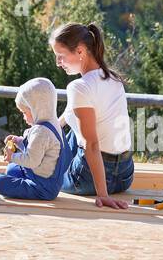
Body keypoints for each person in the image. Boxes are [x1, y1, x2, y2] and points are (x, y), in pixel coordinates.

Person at [49, 22, 133, 207]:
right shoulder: (112, 78)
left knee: (43, 179)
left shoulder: (79, 87)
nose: (58, 63)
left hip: (91, 179)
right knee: (69, 133)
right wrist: (38, 131)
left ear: (80, 51)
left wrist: (102, 194)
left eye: (61, 57)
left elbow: (92, 144)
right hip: (125, 175)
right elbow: (67, 115)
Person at [0, 77, 70, 200]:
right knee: (12, 169)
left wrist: (12, 157)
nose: (23, 117)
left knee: (0, 182)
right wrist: (19, 142)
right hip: (43, 176)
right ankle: (17, 181)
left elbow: (32, 160)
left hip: (42, 187)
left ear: (36, 108)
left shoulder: (41, 132)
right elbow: (36, 149)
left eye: (24, 112)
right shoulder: (53, 124)